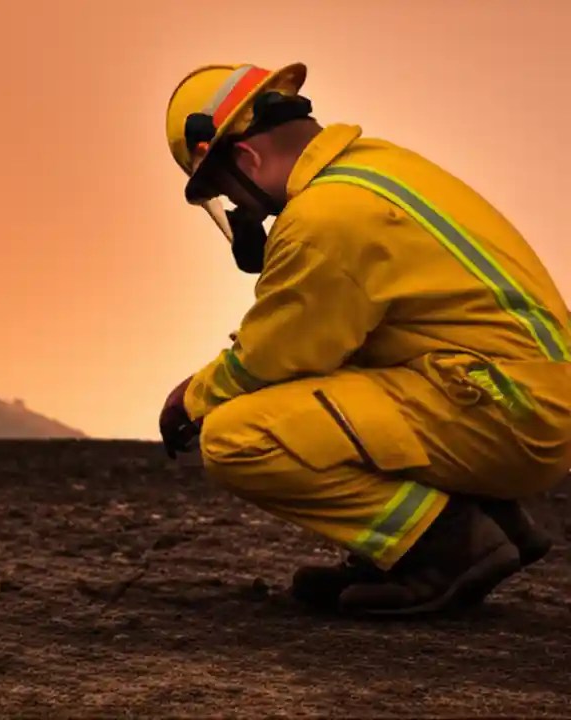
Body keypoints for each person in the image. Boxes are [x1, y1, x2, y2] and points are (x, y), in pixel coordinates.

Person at [158, 62, 571, 617]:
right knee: (337, 372)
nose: (238, 209)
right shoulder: (380, 168)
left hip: (507, 414)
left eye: (222, 190)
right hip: (520, 397)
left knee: (237, 438)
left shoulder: (325, 217)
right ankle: (482, 519)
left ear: (246, 159)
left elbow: (279, 353)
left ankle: (447, 547)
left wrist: (194, 398)